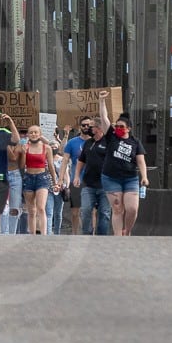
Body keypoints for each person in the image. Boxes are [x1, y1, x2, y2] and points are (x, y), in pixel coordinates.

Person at [95, 91, 148, 236]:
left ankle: (127, 230)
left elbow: (141, 161)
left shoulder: (135, 142)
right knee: (117, 208)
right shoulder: (111, 137)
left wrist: (144, 177)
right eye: (116, 126)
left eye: (121, 127)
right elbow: (104, 118)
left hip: (130, 178)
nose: (118, 128)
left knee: (132, 209)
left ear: (128, 129)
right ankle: (118, 237)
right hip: (111, 178)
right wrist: (101, 101)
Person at [72, 120, 111, 235]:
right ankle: (87, 234)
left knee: (104, 213)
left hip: (105, 185)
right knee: (86, 210)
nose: (89, 128)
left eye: (91, 126)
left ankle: (101, 237)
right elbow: (81, 160)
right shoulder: (88, 142)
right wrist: (77, 176)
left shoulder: (108, 142)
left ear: (99, 128)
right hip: (88, 184)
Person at [20, 125, 60, 235]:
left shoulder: (46, 147)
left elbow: (51, 165)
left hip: (42, 177)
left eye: (36, 132)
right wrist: (23, 153)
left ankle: (44, 234)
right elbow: (22, 165)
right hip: (28, 177)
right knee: (31, 210)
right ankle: (32, 235)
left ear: (40, 134)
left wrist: (55, 182)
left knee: (41, 208)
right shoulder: (25, 146)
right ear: (28, 135)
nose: (33, 134)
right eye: (31, 132)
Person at [62, 118, 93, 235]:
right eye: (84, 125)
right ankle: (75, 235)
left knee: (91, 210)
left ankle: (92, 234)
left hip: (92, 181)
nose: (86, 127)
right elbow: (64, 159)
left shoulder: (97, 141)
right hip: (76, 180)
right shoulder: (72, 142)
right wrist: (61, 180)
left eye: (89, 125)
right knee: (75, 211)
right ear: (80, 127)